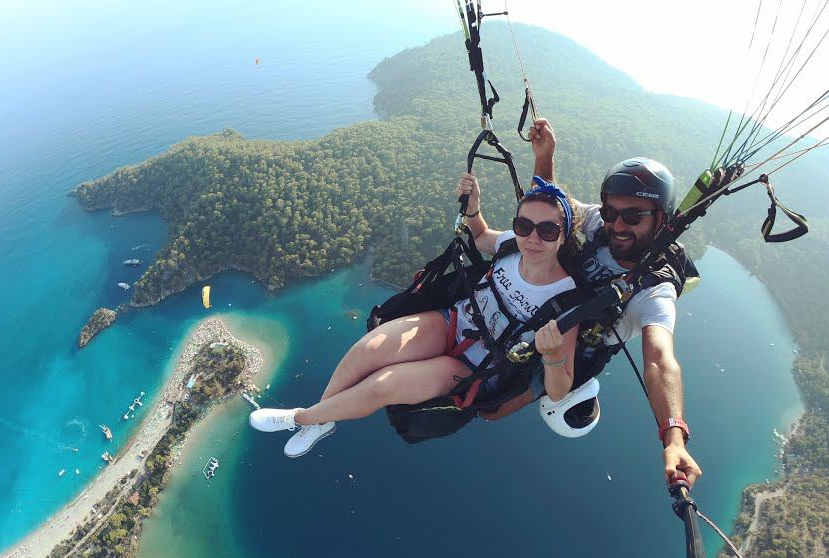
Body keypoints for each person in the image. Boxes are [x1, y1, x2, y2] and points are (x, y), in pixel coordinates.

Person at [249, 175, 582, 458]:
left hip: (479, 364)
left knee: (384, 385)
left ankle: (303, 417)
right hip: (454, 322)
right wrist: (474, 208)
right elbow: (480, 237)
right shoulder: (512, 245)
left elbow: (558, 389)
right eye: (524, 225)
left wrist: (552, 355)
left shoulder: (564, 299)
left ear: (563, 234)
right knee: (370, 348)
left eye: (547, 231)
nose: (532, 238)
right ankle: (323, 419)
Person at [480, 118, 702, 487]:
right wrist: (545, 156)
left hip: (572, 349)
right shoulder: (599, 222)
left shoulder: (654, 291)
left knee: (492, 408)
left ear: (660, 219)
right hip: (541, 302)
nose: (617, 225)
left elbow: (661, 362)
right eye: (612, 212)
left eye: (632, 216)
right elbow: (552, 209)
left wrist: (673, 436)